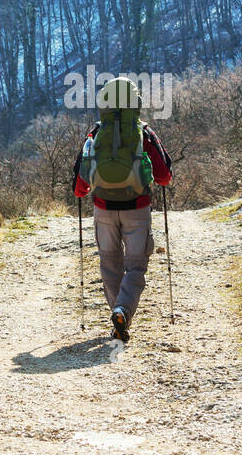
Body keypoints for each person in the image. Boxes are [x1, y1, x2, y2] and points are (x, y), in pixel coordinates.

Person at [72, 76, 173, 342]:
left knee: (109, 263)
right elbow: (164, 176)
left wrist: (88, 190)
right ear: (135, 102)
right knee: (136, 266)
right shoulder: (144, 132)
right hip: (136, 209)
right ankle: (123, 311)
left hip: (103, 209)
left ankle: (118, 317)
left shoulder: (95, 134)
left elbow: (79, 184)